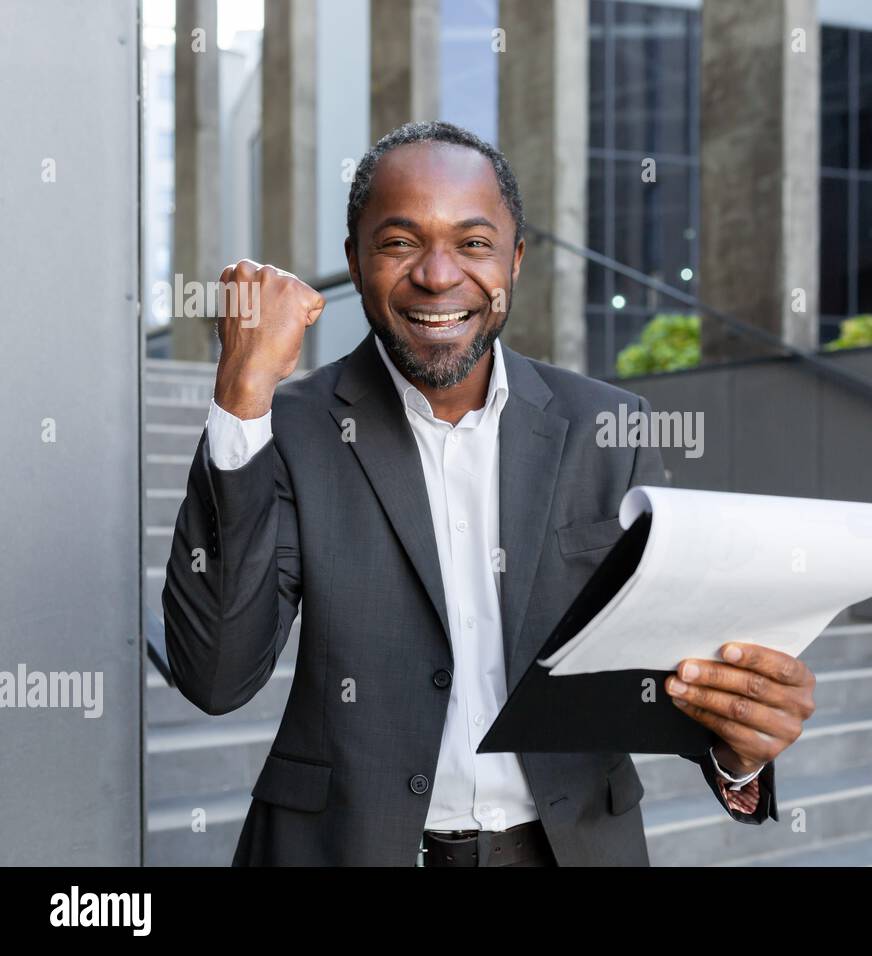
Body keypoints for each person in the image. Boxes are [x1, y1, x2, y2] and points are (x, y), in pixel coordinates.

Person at [163, 120, 816, 866]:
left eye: (473, 243)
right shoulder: (292, 428)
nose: (439, 276)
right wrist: (243, 396)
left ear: (516, 259)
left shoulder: (607, 425)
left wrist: (741, 746)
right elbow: (215, 674)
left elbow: (667, 669)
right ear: (356, 260)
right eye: (400, 242)